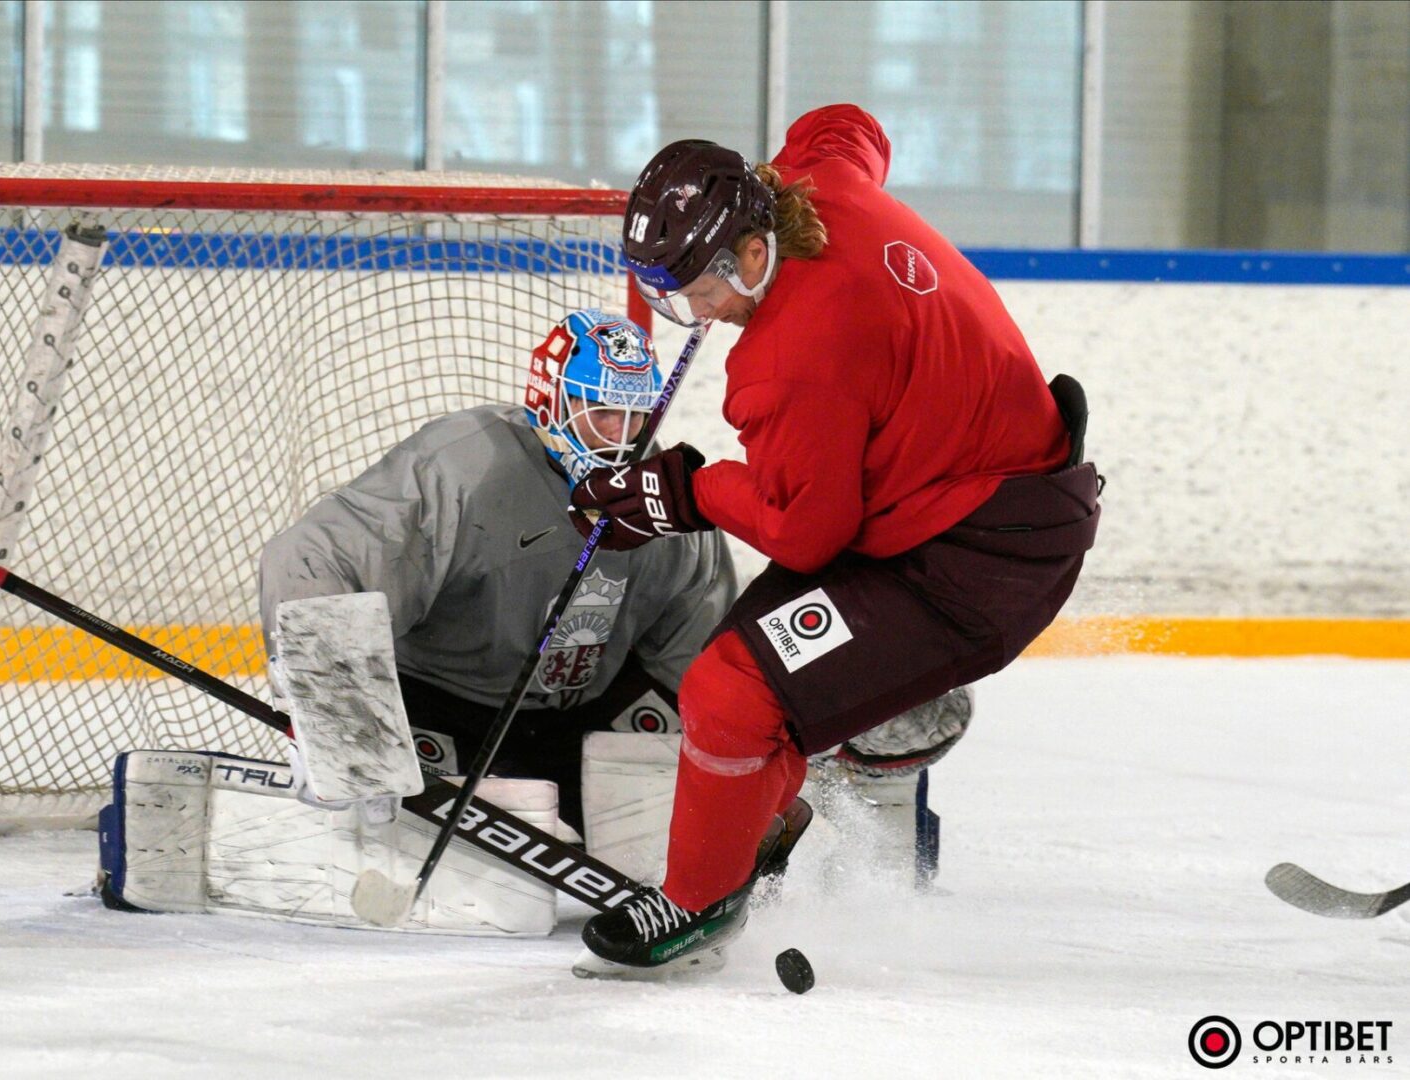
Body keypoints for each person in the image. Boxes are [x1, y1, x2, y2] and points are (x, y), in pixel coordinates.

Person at [567, 104, 1101, 973]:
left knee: (733, 689)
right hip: (958, 502)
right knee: (743, 680)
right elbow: (845, 123)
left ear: (750, 251)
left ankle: (699, 902)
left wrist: (688, 491)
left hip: (973, 563)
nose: (696, 314)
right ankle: (762, 822)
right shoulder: (811, 182)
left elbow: (807, 534)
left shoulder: (793, 358)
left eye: (699, 289)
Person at [260, 309, 736, 835]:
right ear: (551, 402)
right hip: (441, 712)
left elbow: (697, 647)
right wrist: (334, 718)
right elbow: (312, 559)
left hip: (584, 722)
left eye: (635, 414)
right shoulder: (463, 467)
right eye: (601, 412)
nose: (620, 437)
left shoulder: (664, 500)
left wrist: (716, 757)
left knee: (678, 833)